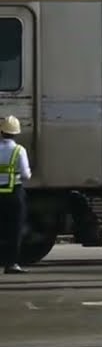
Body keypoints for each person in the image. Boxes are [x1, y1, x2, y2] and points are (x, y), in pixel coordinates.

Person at [0, 115, 31, 274]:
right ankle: (11, 264)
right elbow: (26, 175)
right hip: (14, 194)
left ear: (1, 131)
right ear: (16, 133)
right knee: (14, 230)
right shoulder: (19, 150)